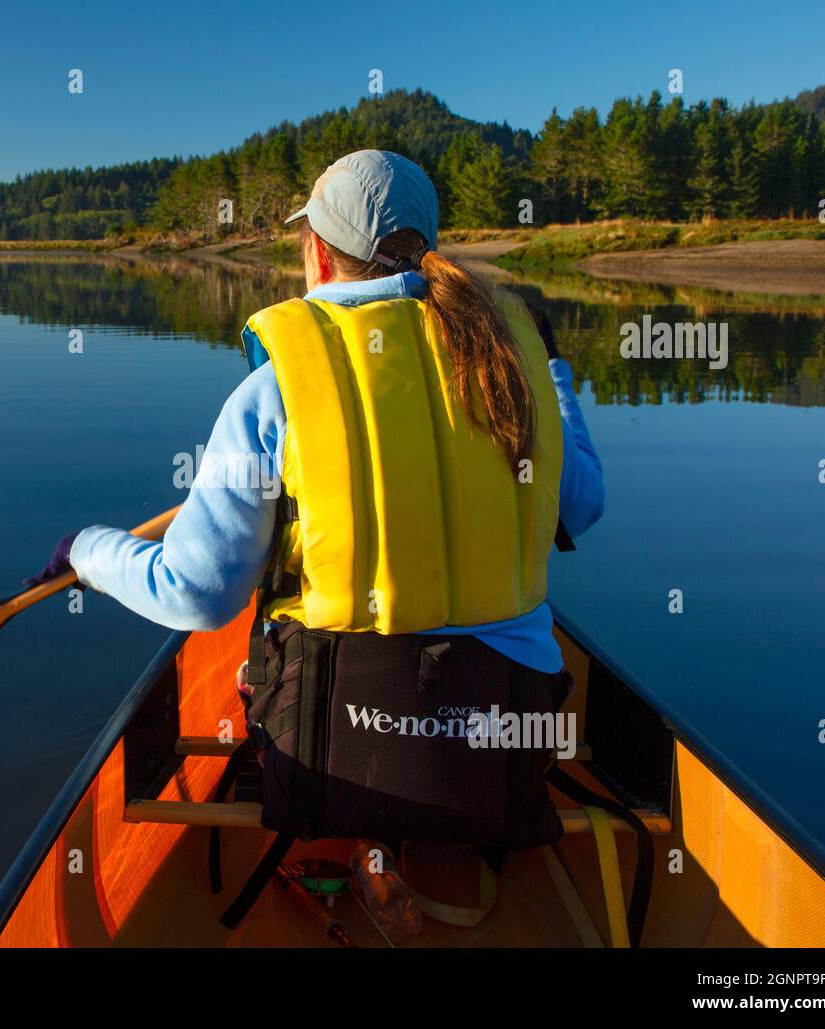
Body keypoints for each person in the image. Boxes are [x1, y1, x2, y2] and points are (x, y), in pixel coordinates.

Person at [30, 150, 603, 682]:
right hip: (509, 726)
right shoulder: (504, 361)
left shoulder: (276, 389)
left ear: (320, 254)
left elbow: (196, 594)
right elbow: (577, 509)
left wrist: (87, 550)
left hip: (347, 728)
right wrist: (551, 373)